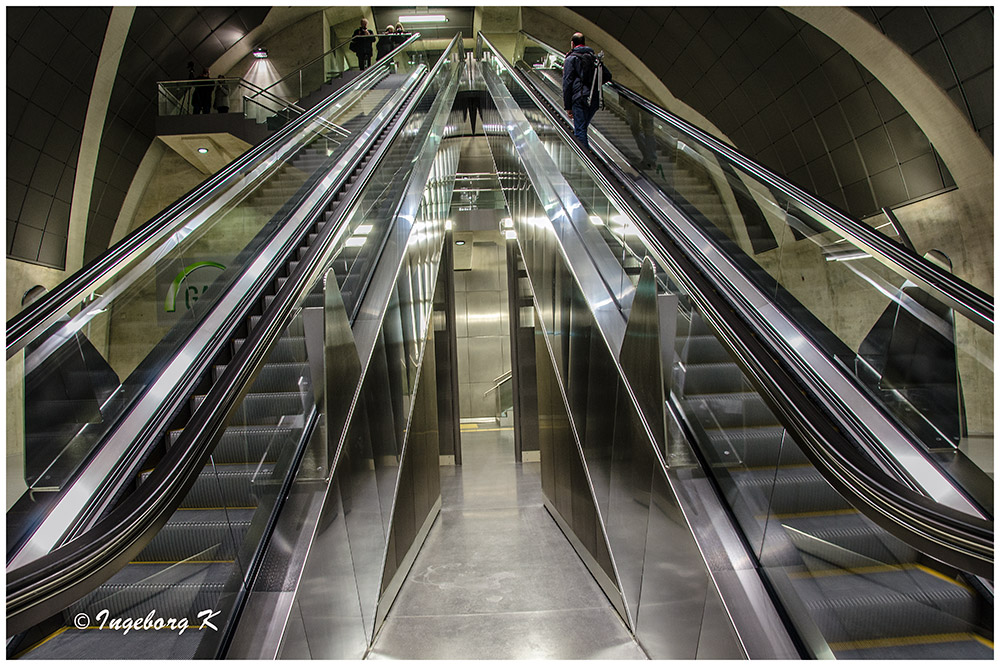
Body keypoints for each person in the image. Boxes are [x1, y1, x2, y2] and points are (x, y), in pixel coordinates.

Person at [562, 32, 612, 149]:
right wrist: (593, 85)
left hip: (579, 99)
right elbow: (607, 76)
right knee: (582, 128)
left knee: (580, 131)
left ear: (572, 44)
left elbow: (567, 82)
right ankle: (586, 157)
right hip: (594, 98)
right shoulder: (593, 58)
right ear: (584, 43)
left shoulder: (571, 58)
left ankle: (584, 163)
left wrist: (568, 106)